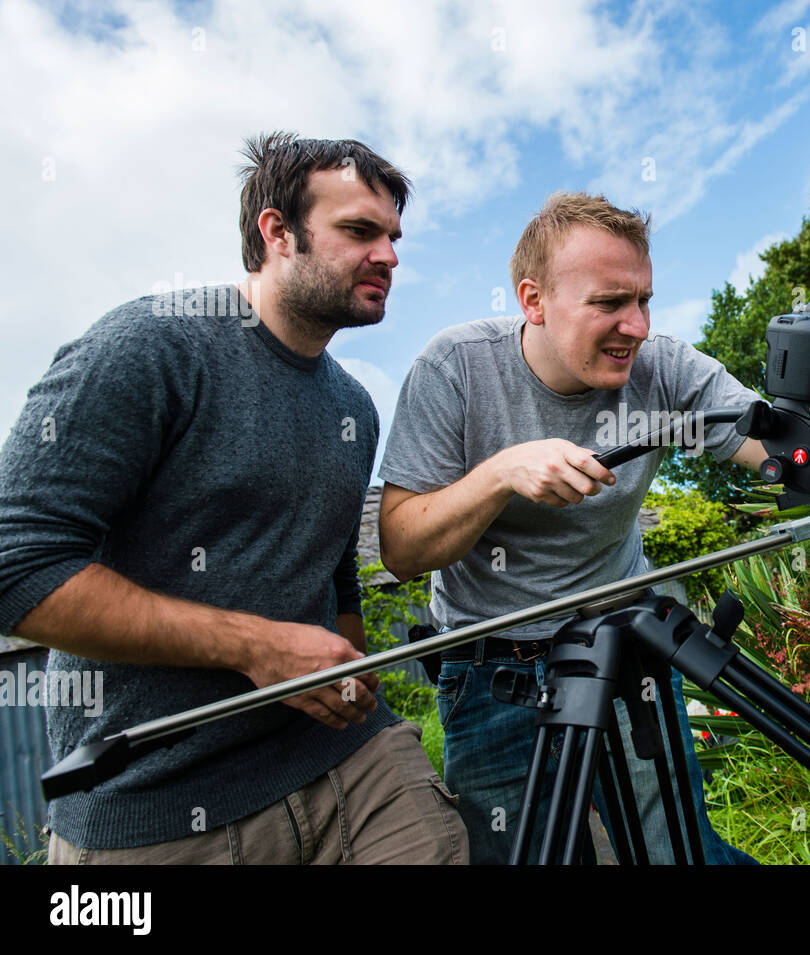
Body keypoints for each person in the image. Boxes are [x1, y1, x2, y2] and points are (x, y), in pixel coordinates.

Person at [378, 192, 810, 864]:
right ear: (533, 300)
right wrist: (500, 474)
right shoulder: (453, 369)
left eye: (645, 300)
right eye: (608, 302)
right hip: (491, 673)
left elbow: (789, 461)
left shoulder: (663, 368)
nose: (635, 326)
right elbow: (400, 548)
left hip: (625, 648)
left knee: (673, 855)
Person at [0, 133, 467, 864]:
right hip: (150, 806)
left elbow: (334, 562)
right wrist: (256, 646)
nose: (389, 256)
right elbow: (14, 564)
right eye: (358, 231)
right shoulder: (149, 350)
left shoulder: (353, 406)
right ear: (276, 232)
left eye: (393, 236)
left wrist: (342, 667)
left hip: (346, 763)